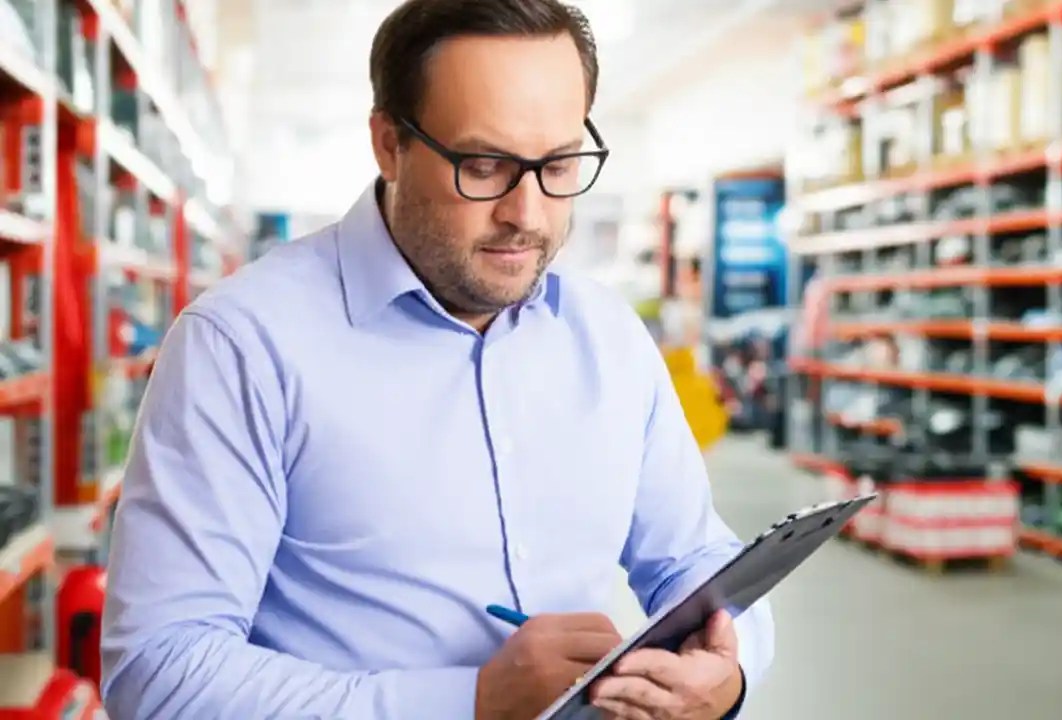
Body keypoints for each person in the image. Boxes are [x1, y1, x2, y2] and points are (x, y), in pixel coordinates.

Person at [98, 1, 775, 718]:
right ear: (389, 144)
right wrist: (470, 702)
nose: (529, 214)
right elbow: (159, 673)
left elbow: (692, 559)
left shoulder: (608, 338)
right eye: (485, 166)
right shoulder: (241, 347)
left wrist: (726, 671)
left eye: (561, 164)